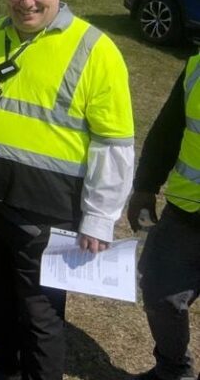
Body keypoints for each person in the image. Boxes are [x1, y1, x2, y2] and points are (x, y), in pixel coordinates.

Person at [0, 0, 134, 380]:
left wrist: (99, 218)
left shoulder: (94, 48)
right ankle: (3, 365)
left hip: (45, 208)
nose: (27, 2)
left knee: (40, 312)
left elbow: (113, 143)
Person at [127, 54, 200, 380]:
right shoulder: (198, 64)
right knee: (159, 293)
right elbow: (169, 129)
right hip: (186, 211)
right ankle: (172, 370)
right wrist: (145, 187)